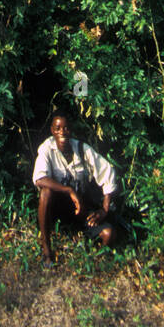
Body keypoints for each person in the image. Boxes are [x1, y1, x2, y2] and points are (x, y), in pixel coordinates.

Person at [33, 113, 119, 266]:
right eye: (58, 128)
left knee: (109, 234)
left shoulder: (81, 149)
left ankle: (94, 260)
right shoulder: (47, 149)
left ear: (70, 131)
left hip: (82, 211)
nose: (62, 132)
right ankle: (47, 251)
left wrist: (104, 209)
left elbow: (107, 172)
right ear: (52, 131)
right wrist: (69, 191)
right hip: (59, 209)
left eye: (66, 128)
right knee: (45, 192)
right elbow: (40, 179)